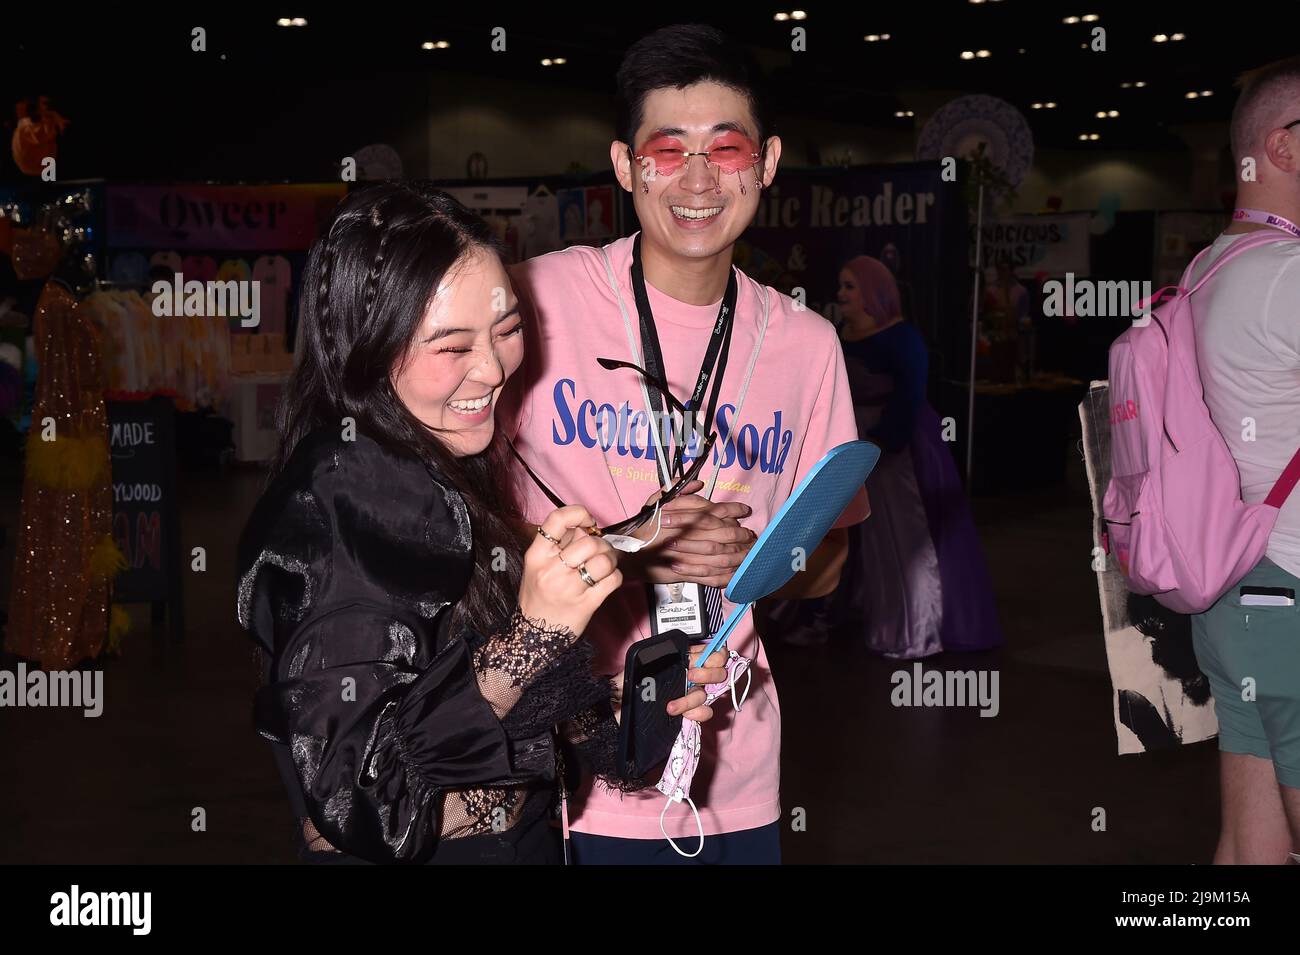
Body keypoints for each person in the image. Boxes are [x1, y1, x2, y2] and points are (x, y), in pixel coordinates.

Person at [236, 182, 727, 865]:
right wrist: (535, 632)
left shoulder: (437, 460)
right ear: (366, 347)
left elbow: (480, 705)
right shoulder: (342, 498)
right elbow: (367, 796)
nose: (493, 370)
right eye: (451, 347)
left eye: (506, 330)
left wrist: (637, 700)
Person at [500, 24, 869, 864]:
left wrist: (755, 562)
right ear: (626, 167)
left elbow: (834, 562)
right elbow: (458, 522)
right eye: (667, 151)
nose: (698, 180)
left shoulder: (808, 345)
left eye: (726, 148)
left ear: (767, 163)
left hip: (739, 772)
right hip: (576, 764)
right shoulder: (541, 301)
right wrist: (638, 545)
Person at [1187, 56, 1300, 865]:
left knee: (1250, 844)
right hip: (1291, 589)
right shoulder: (1286, 274)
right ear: (1283, 147)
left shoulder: (1208, 267)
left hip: (1233, 592)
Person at [784, 255, 1001, 657]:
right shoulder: (840, 334)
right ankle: (834, 613)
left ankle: (913, 628)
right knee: (846, 533)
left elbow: (910, 395)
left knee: (903, 536)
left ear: (873, 291)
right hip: (850, 441)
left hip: (897, 448)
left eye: (850, 286)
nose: (841, 294)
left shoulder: (902, 338)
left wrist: (884, 442)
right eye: (842, 286)